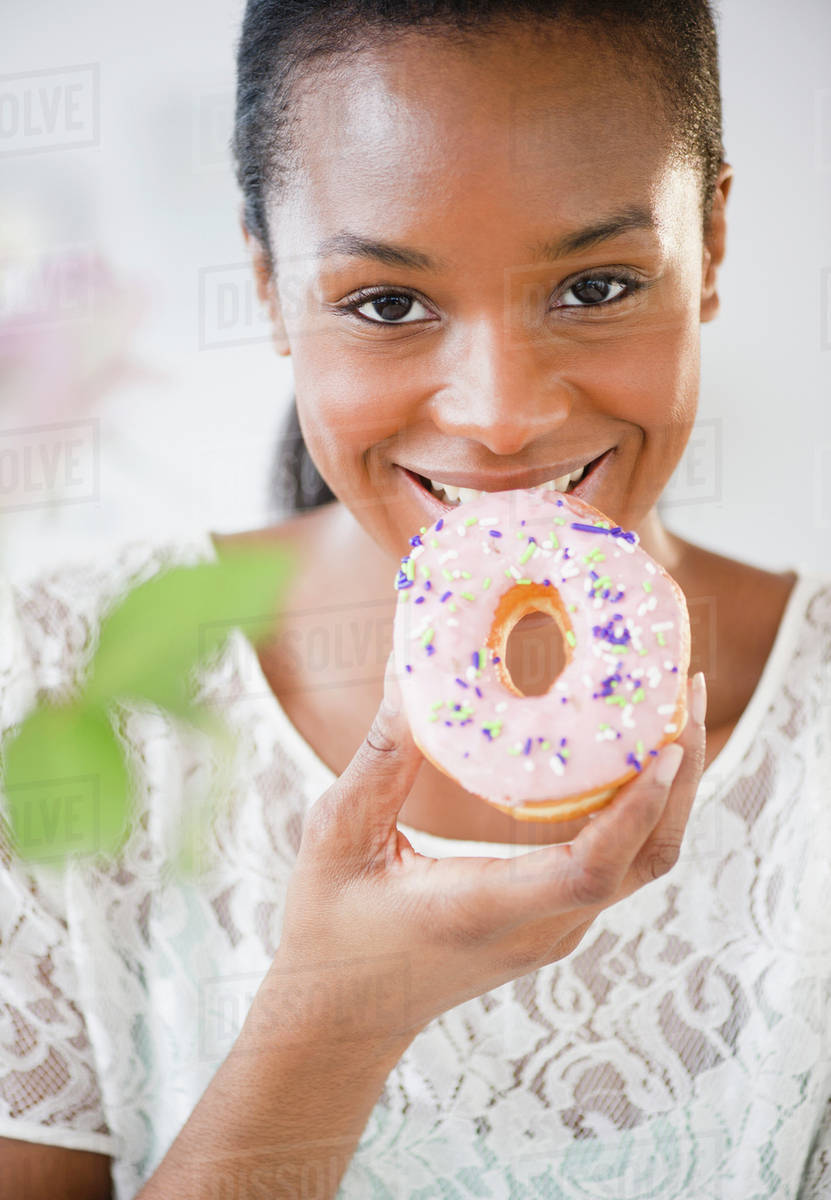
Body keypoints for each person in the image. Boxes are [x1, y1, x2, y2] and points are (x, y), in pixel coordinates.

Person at [1, 1, 830, 1197]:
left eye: (596, 285)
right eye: (389, 305)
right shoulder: (59, 685)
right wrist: (332, 1023)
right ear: (268, 280)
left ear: (710, 239)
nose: (500, 414)